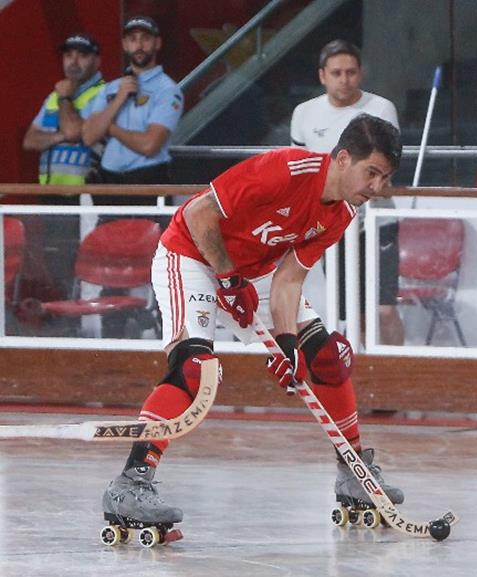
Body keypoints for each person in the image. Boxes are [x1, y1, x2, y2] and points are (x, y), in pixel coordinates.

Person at [99, 114, 406, 537]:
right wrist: (226, 278)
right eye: (371, 173)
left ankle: (354, 473)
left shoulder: (342, 212)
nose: (377, 188)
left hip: (254, 273)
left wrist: (288, 343)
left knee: (327, 357)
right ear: (341, 158)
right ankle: (131, 483)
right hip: (192, 256)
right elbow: (199, 215)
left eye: (385, 178)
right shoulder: (285, 170)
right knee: (194, 370)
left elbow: (289, 280)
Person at [290, 40, 404, 346]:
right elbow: (300, 172)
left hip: (376, 223)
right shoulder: (304, 113)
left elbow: (387, 168)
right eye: (337, 72)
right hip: (332, 224)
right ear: (322, 76)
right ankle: (362, 374)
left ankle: (398, 372)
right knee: (350, 313)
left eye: (351, 72)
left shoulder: (381, 108)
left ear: (361, 73)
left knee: (384, 310)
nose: (344, 79)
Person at [21, 33, 105, 299]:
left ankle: (85, 329)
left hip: (85, 194)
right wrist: (59, 136)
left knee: (84, 262)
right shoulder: (54, 95)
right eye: (69, 55)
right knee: (57, 262)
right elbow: (30, 140)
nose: (73, 62)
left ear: (96, 60)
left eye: (82, 55)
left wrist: (66, 100)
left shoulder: (101, 93)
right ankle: (66, 325)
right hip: (53, 193)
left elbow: (73, 130)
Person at [82, 15, 183, 198]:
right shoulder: (110, 89)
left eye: (145, 38)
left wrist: (110, 128)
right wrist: (120, 98)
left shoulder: (168, 90)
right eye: (133, 39)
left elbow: (149, 145)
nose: (139, 45)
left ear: (157, 43)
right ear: (125, 44)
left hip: (147, 181)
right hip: (108, 182)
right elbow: (89, 136)